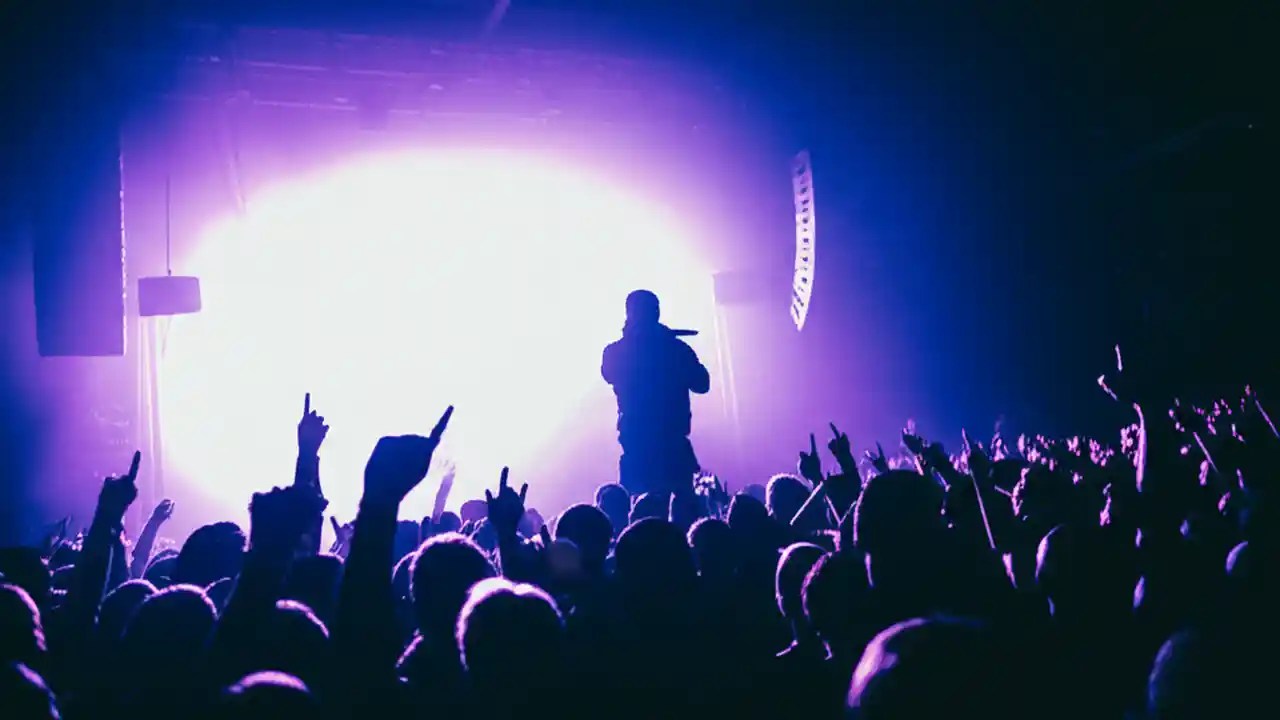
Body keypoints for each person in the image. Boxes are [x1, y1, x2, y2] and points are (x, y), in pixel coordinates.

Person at [601, 289, 711, 498]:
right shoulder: (674, 348)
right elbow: (701, 382)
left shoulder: (617, 351)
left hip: (646, 446)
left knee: (642, 511)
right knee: (678, 512)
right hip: (661, 447)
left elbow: (702, 384)